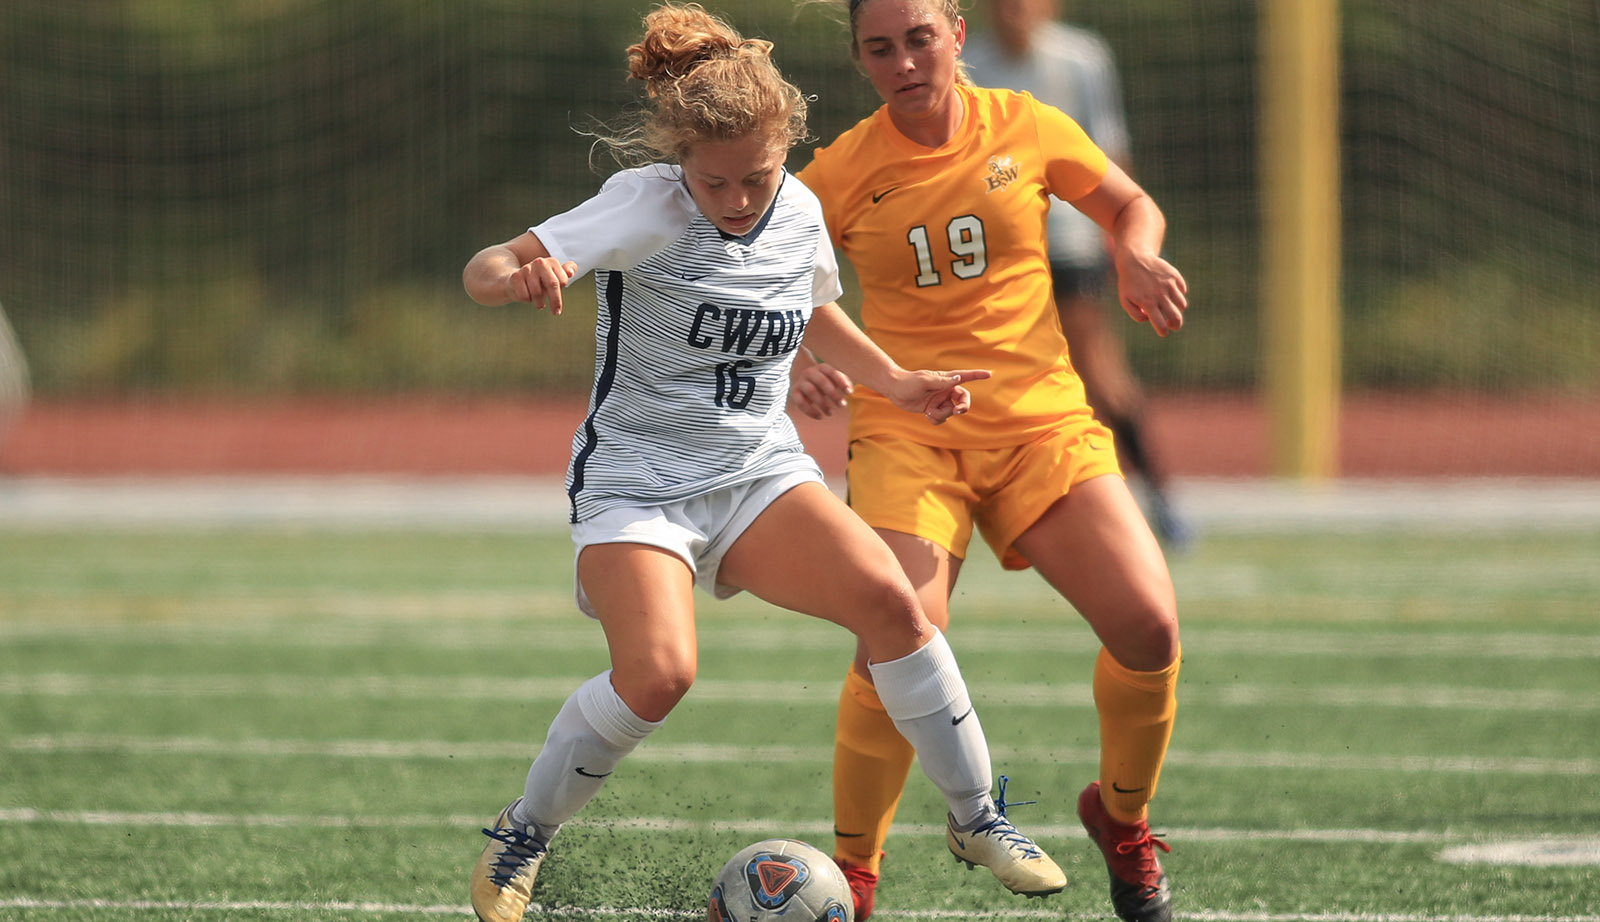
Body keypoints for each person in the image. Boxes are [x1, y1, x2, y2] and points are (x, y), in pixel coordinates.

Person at [459, 4, 1065, 921]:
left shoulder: (803, 208)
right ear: (681, 162)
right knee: (659, 674)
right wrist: (518, 274)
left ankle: (976, 816)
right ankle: (525, 833)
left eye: (760, 177)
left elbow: (813, 308)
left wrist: (894, 381)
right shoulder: (644, 203)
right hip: (639, 484)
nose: (741, 199)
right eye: (717, 182)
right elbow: (488, 267)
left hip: (759, 474)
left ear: (785, 150)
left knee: (895, 607)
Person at [789, 1, 1187, 921]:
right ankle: (855, 875)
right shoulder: (840, 172)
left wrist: (1135, 253)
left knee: (1150, 629)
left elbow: (1127, 201)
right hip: (910, 436)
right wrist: (801, 363)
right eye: (879, 49)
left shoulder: (1026, 124)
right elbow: (769, 280)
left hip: (1042, 429)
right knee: (899, 635)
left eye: (919, 38)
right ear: (859, 59)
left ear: (957, 34)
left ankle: (1120, 821)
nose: (903, 62)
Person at [961, 0, 1189, 547]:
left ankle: (1159, 497)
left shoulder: (1083, 59)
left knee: (1099, 378)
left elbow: (1111, 158)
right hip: (992, 251)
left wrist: (1122, 241)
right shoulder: (966, 63)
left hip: (1067, 245)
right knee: (981, 377)